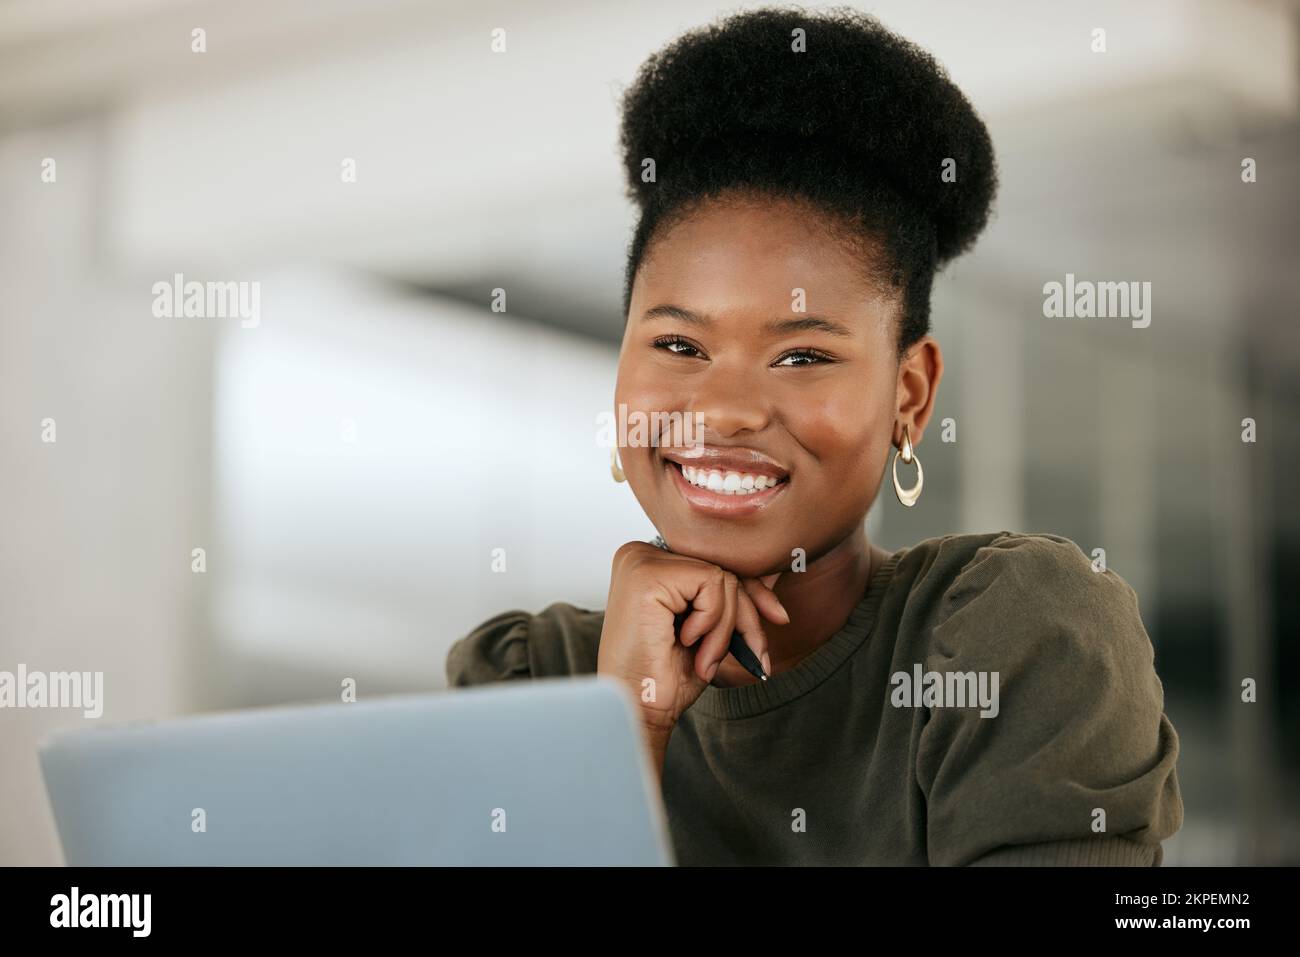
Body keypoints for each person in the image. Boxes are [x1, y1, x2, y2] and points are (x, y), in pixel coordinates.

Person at [446, 6, 1183, 866]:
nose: (723, 411)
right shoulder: (531, 681)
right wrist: (630, 722)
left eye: (800, 355)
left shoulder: (1013, 638)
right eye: (679, 344)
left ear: (909, 394)